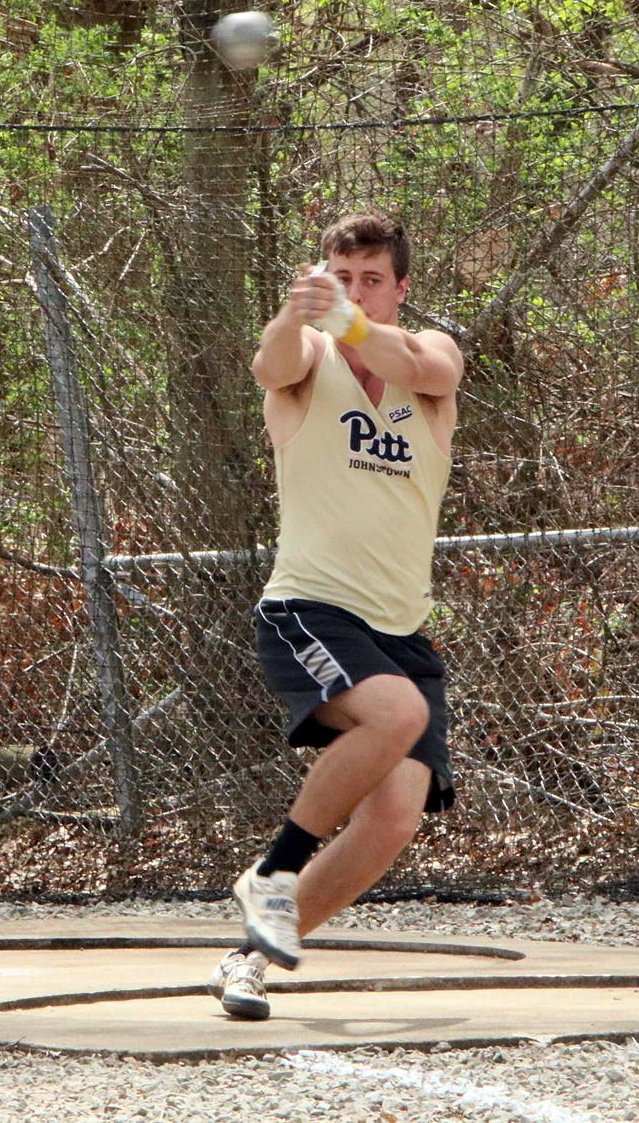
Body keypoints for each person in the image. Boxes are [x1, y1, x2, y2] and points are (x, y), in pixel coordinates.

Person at [208, 212, 464, 1021]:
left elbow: (419, 363)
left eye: (372, 279)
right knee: (394, 712)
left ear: (400, 288)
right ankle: (274, 872)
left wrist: (348, 316)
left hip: (399, 626)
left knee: (392, 819)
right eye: (341, 276)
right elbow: (270, 361)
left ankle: (248, 959)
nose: (355, 291)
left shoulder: (432, 357)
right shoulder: (307, 358)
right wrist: (297, 313)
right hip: (310, 606)